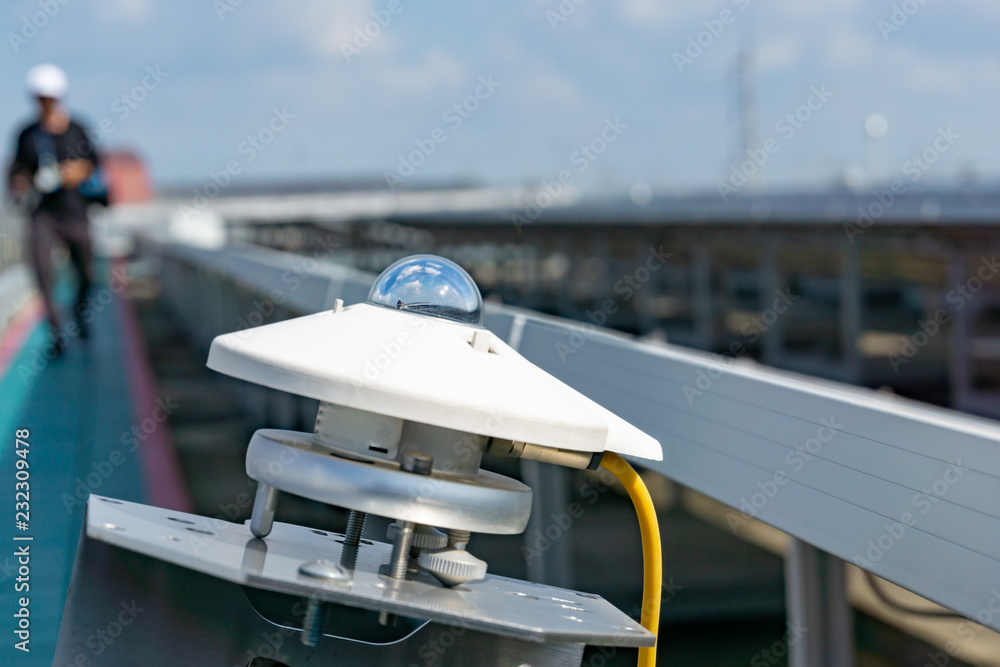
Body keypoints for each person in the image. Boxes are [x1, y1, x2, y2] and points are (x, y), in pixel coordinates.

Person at [7, 64, 100, 350]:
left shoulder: (78, 129)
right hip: (42, 213)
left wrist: (71, 173)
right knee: (42, 268)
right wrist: (23, 183)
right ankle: (55, 331)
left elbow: (95, 165)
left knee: (85, 270)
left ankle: (80, 311)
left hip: (74, 211)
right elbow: (15, 173)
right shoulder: (26, 134)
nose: (45, 103)